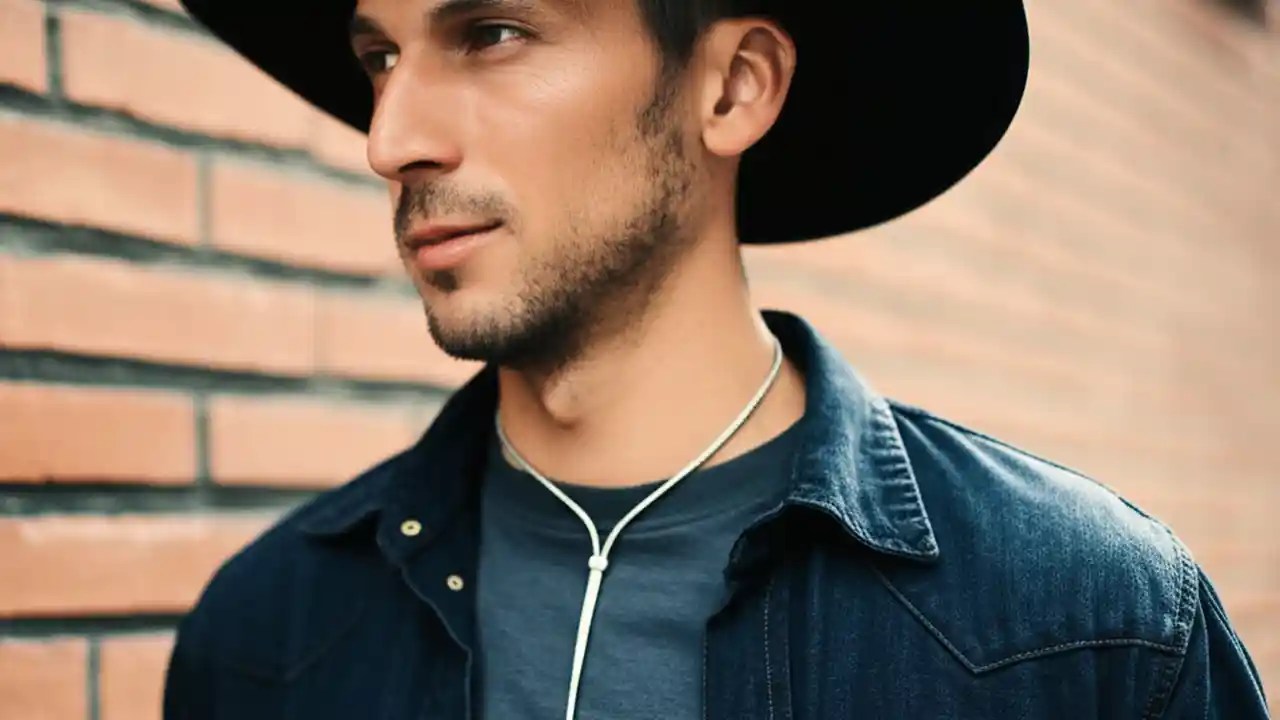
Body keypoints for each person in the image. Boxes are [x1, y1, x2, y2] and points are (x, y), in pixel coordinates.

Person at [162, 0, 1271, 718]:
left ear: (733, 85)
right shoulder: (268, 638)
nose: (389, 138)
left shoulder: (1083, 626)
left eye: (490, 32)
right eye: (378, 56)